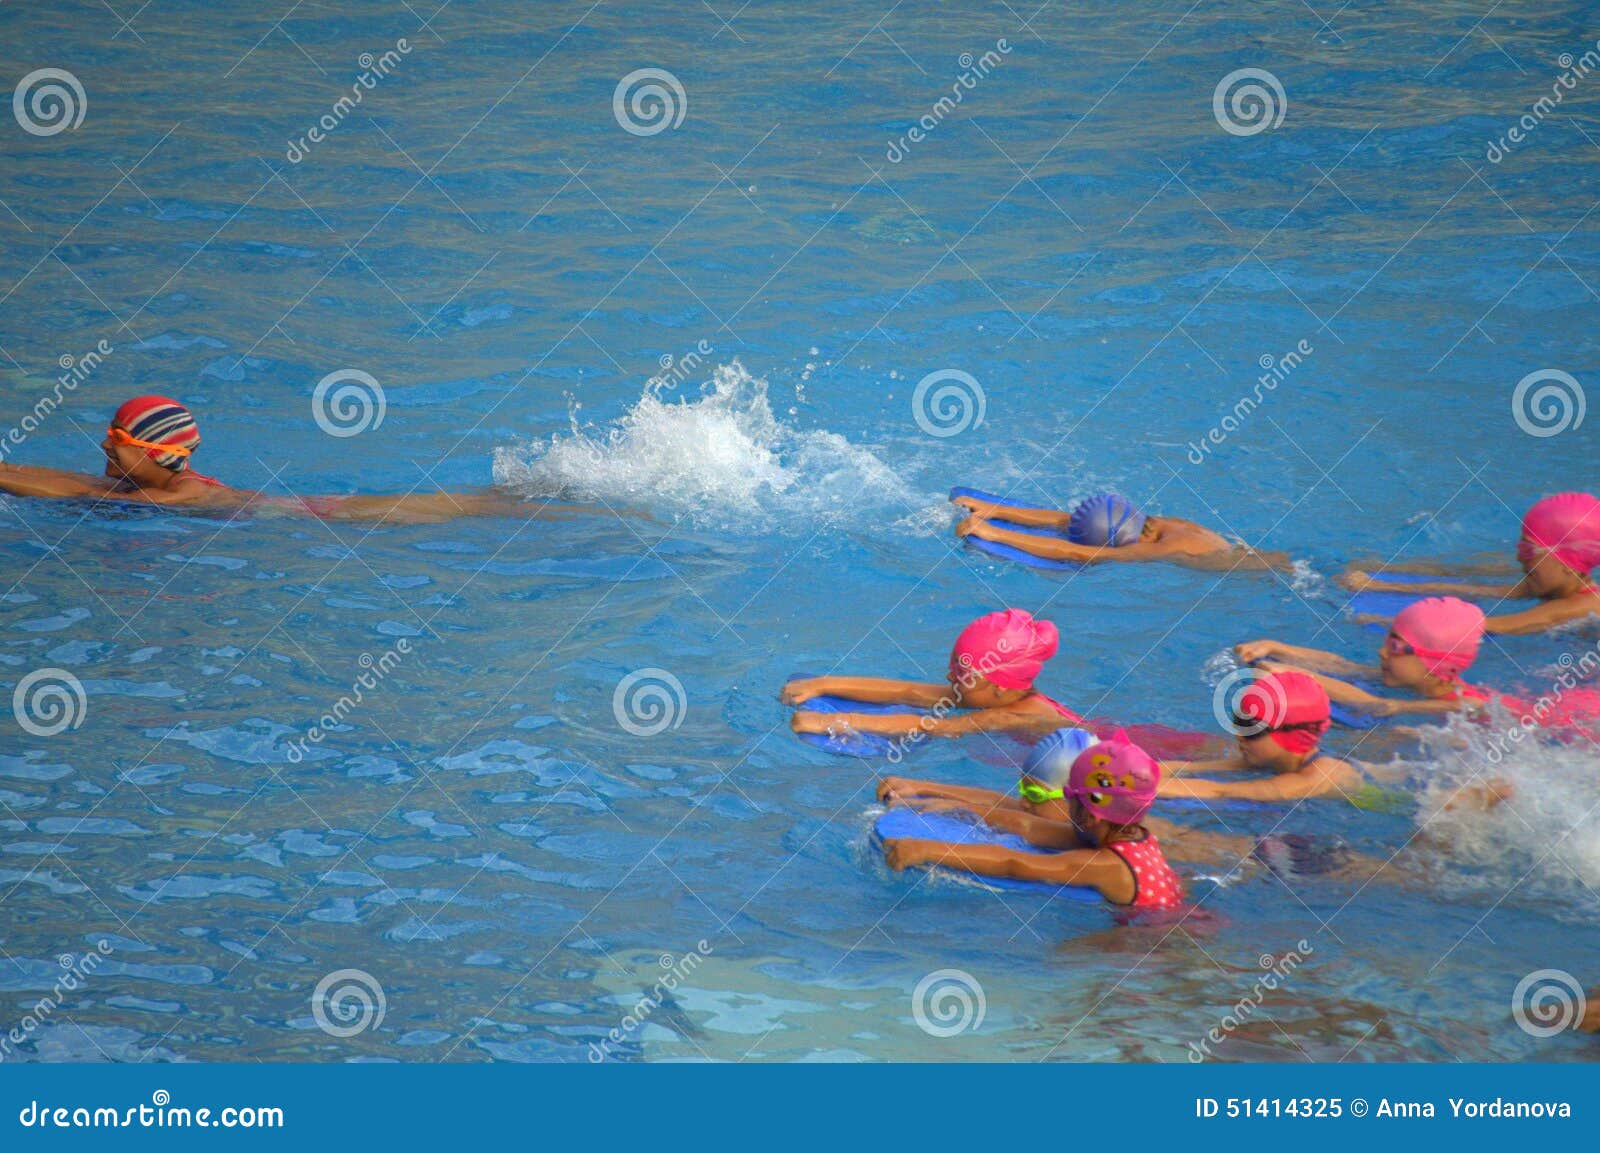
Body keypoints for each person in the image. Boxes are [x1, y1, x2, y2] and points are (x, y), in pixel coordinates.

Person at [0, 395, 579, 524]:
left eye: (116, 436)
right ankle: (528, 496)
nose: (104, 444)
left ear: (153, 452)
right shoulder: (143, 482)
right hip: (288, 505)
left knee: (441, 511)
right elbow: (66, 478)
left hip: (303, 513)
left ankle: (538, 504)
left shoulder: (157, 496)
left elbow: (71, 492)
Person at [881, 733, 1184, 911]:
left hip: (1146, 939)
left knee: (1072, 954)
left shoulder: (1104, 865)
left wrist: (926, 850)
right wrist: (952, 806)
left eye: (1069, 798)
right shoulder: (1124, 834)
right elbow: (1024, 825)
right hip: (1165, 914)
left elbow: (1015, 864)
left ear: (1089, 815)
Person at [785, 608, 1083, 740]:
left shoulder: (1026, 713)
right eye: (955, 666)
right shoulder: (990, 692)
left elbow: (933, 727)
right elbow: (909, 692)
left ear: (999, 687)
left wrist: (833, 722)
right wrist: (822, 684)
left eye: (963, 673)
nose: (951, 677)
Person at [1341, 493, 1600, 634]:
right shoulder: (1553, 583)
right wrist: (1382, 583)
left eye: (1528, 550)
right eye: (1520, 545)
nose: (1518, 557)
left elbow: (1493, 627)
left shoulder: (1578, 608)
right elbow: (1475, 588)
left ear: (1567, 563)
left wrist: (1388, 623)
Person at [1158, 670, 1373, 803]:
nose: (1240, 736)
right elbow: (1190, 769)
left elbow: (1222, 792)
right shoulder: (1272, 759)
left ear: (1291, 735)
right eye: (1240, 721)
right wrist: (1132, 773)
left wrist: (1139, 788)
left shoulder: (1320, 776)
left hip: (1381, 798)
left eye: (1253, 728)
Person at [953, 490, 1286, 570]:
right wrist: (996, 510)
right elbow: (1065, 521)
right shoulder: (1155, 523)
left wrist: (998, 534)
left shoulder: (1164, 549)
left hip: (1263, 574)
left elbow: (1078, 552)